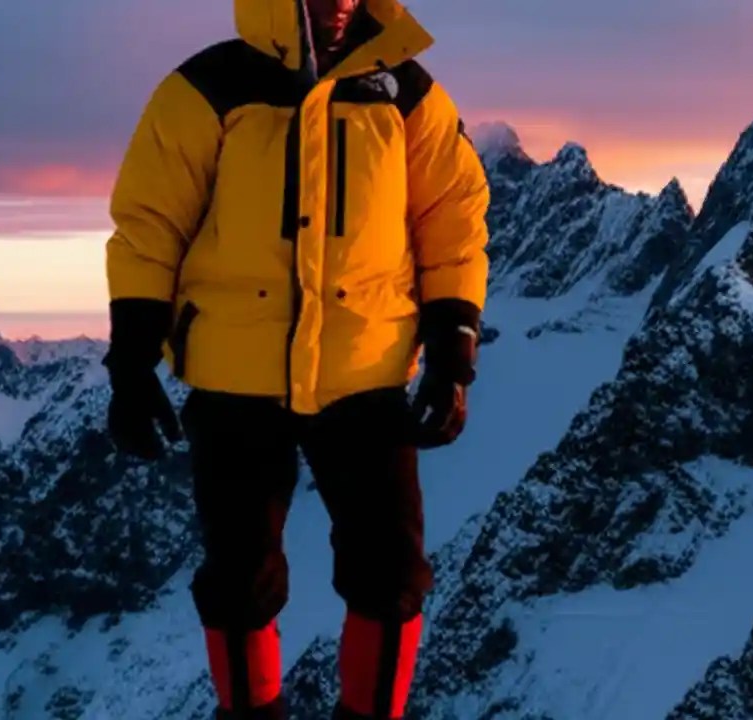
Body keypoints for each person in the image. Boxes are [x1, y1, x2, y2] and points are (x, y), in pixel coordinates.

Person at [103, 0, 489, 717]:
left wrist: (451, 351)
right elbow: (149, 224)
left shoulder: (406, 93)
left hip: (365, 374)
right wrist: (131, 361)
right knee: (239, 581)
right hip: (234, 378)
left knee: (394, 577)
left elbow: (453, 217)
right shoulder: (207, 87)